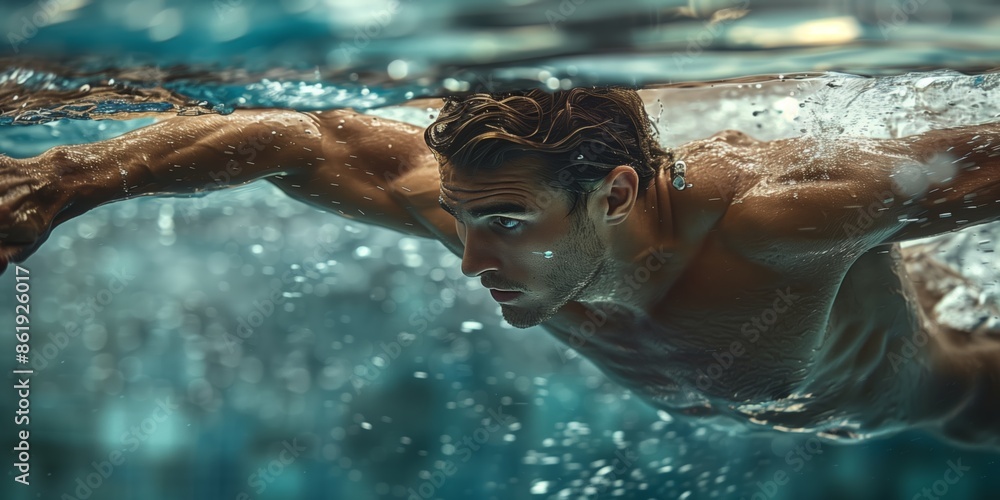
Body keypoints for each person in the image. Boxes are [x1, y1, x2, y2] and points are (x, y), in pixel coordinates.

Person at [1, 86, 998, 447]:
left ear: (612, 192)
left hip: (955, 389)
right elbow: (297, 139)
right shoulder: (475, 210)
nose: (470, 256)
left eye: (508, 223)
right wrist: (60, 180)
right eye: (461, 217)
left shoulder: (772, 220)